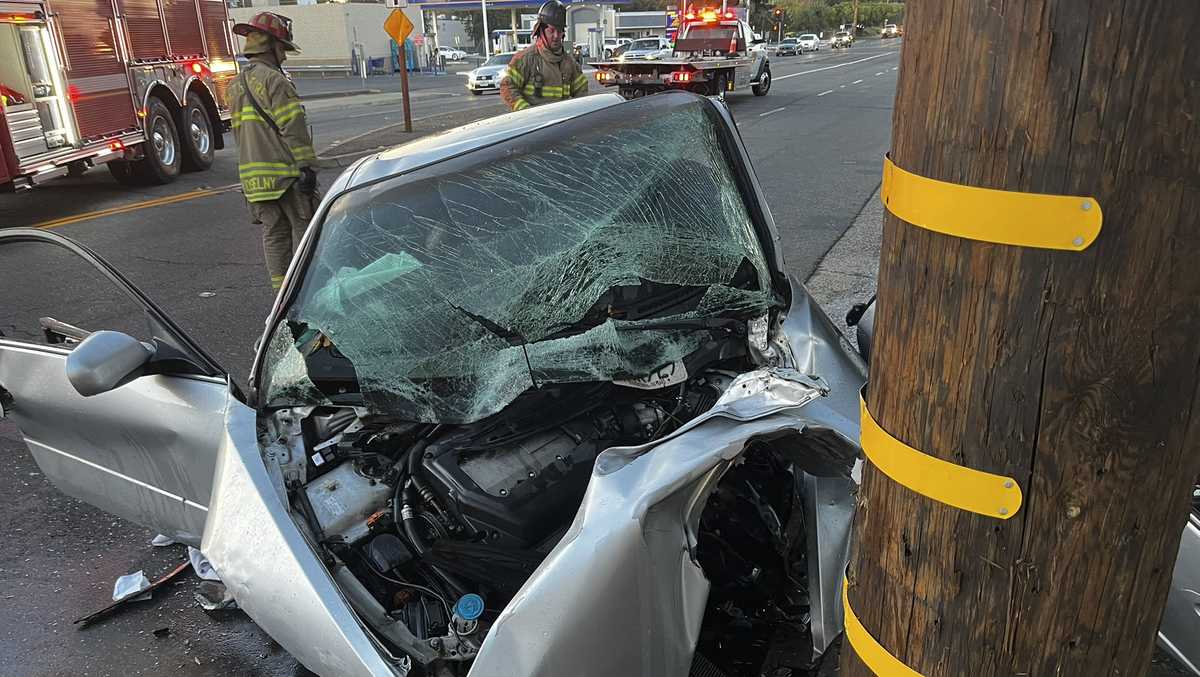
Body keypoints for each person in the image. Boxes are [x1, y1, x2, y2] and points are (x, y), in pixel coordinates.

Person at [228, 12, 318, 291]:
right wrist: (306, 167)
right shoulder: (275, 81)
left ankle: (282, 297)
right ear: (270, 46)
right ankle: (310, 292)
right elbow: (293, 127)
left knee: (274, 237)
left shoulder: (234, 85)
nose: (285, 56)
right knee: (308, 233)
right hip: (286, 176)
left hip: (254, 181)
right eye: (282, 49)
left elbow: (239, 133)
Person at [499, 0, 588, 112]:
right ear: (540, 30)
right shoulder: (526, 59)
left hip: (561, 120)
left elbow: (582, 93)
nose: (556, 36)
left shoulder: (569, 63)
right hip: (534, 121)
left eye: (559, 31)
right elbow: (507, 86)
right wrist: (526, 111)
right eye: (551, 30)